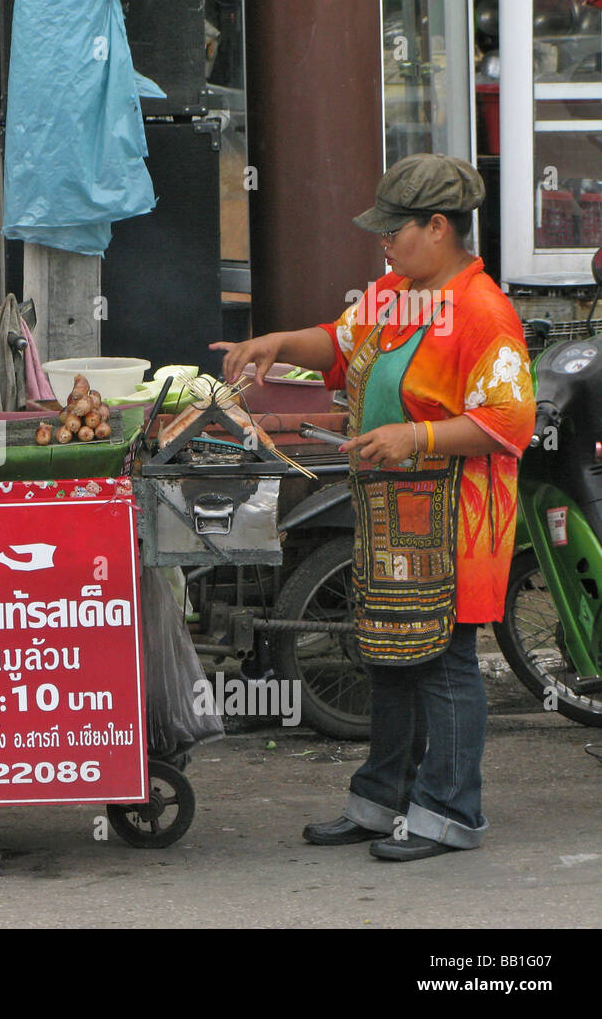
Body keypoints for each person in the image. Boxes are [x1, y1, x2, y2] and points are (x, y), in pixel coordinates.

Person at [211, 154, 535, 861]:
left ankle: (451, 810)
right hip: (393, 509)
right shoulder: (398, 292)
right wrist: (275, 342)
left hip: (456, 515)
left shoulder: (484, 312)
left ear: (440, 227)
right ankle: (382, 798)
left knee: (446, 658)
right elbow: (339, 340)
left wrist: (416, 433)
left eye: (396, 228)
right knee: (387, 653)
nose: (383, 241)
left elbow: (510, 421)